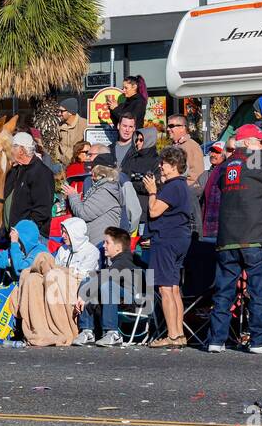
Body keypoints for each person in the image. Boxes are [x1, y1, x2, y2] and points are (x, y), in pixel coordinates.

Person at [207, 123, 262, 354]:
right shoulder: (260, 159)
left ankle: (216, 340)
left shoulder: (227, 165)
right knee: (259, 289)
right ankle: (258, 340)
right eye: (260, 141)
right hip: (255, 235)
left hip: (227, 237)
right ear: (247, 143)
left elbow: (223, 186)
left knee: (224, 290)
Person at [141, 147, 194, 347]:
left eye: (163, 163)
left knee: (164, 288)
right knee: (173, 288)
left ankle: (172, 335)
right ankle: (179, 334)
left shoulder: (173, 186)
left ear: (173, 166)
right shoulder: (182, 186)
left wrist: (153, 192)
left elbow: (154, 211)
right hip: (180, 238)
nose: (160, 167)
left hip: (167, 239)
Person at [82, 226, 139, 348]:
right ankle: (87, 331)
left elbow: (106, 278)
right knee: (88, 280)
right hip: (116, 300)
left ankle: (113, 333)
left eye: (107, 242)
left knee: (105, 284)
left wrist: (85, 297)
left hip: (132, 304)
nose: (103, 246)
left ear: (118, 247)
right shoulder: (116, 262)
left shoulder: (124, 261)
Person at [61, 152, 126, 250]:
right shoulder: (104, 187)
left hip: (100, 244)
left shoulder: (105, 190)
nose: (91, 173)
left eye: (93, 170)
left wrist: (73, 196)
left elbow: (84, 213)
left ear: (101, 171)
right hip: (99, 241)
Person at [59, 218, 103, 345]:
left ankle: (80, 331)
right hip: (63, 284)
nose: (62, 236)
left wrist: (64, 273)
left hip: (83, 286)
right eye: (62, 232)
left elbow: (85, 275)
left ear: (75, 233)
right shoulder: (63, 250)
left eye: (66, 233)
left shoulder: (91, 251)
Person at [3, 132, 55, 234]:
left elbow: (42, 210)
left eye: (12, 148)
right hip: (11, 236)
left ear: (21, 151)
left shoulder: (41, 172)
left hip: (30, 237)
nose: (9, 151)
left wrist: (25, 232)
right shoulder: (16, 169)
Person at [122, 126, 161, 228]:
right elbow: (123, 175)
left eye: (141, 140)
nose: (137, 143)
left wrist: (133, 177)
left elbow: (150, 183)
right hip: (127, 209)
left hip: (144, 211)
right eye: (136, 140)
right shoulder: (132, 157)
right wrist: (139, 177)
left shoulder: (156, 161)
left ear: (149, 140)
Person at [166, 114, 204, 186]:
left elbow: (196, 177)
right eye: (168, 126)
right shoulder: (171, 146)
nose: (168, 129)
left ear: (182, 128)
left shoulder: (192, 146)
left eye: (171, 126)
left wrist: (179, 188)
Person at [53, 97, 89, 167]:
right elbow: (57, 143)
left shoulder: (85, 124)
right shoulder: (59, 125)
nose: (59, 114)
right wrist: (59, 157)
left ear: (70, 112)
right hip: (62, 164)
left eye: (61, 111)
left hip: (79, 164)